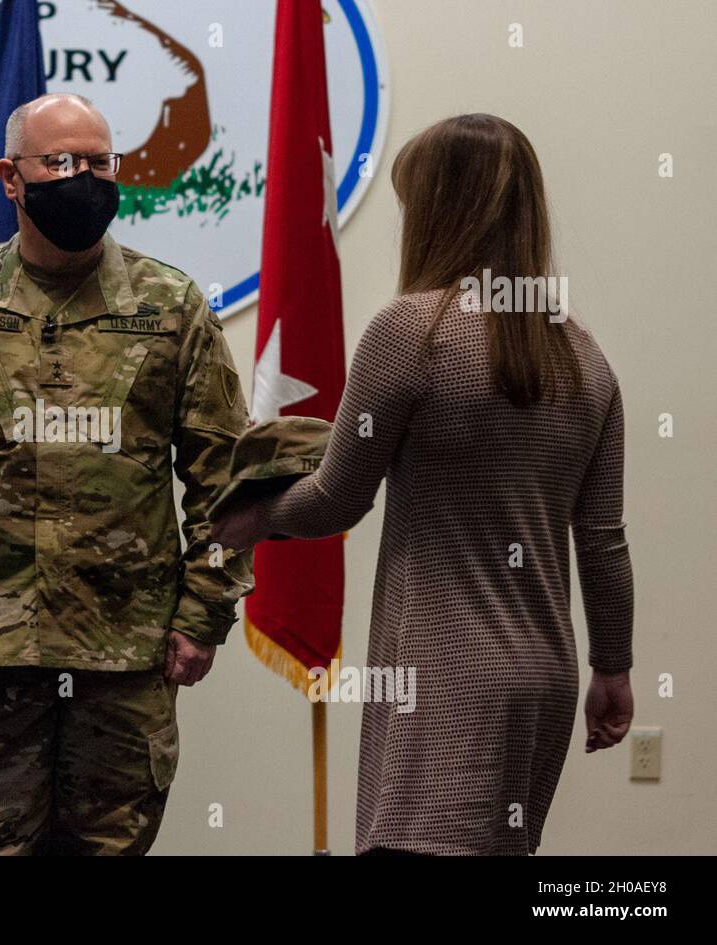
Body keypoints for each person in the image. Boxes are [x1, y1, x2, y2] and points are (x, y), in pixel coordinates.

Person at [212, 114, 634, 855]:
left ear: (440, 212)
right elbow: (602, 545)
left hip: (445, 675)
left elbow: (336, 499)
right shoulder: (586, 358)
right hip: (550, 677)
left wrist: (251, 519)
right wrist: (615, 669)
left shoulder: (412, 332)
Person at [0, 93, 252, 855]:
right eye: (62, 162)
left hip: (126, 654)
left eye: (101, 162)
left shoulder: (172, 308)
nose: (86, 178)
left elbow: (224, 479)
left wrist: (205, 610)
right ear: (10, 177)